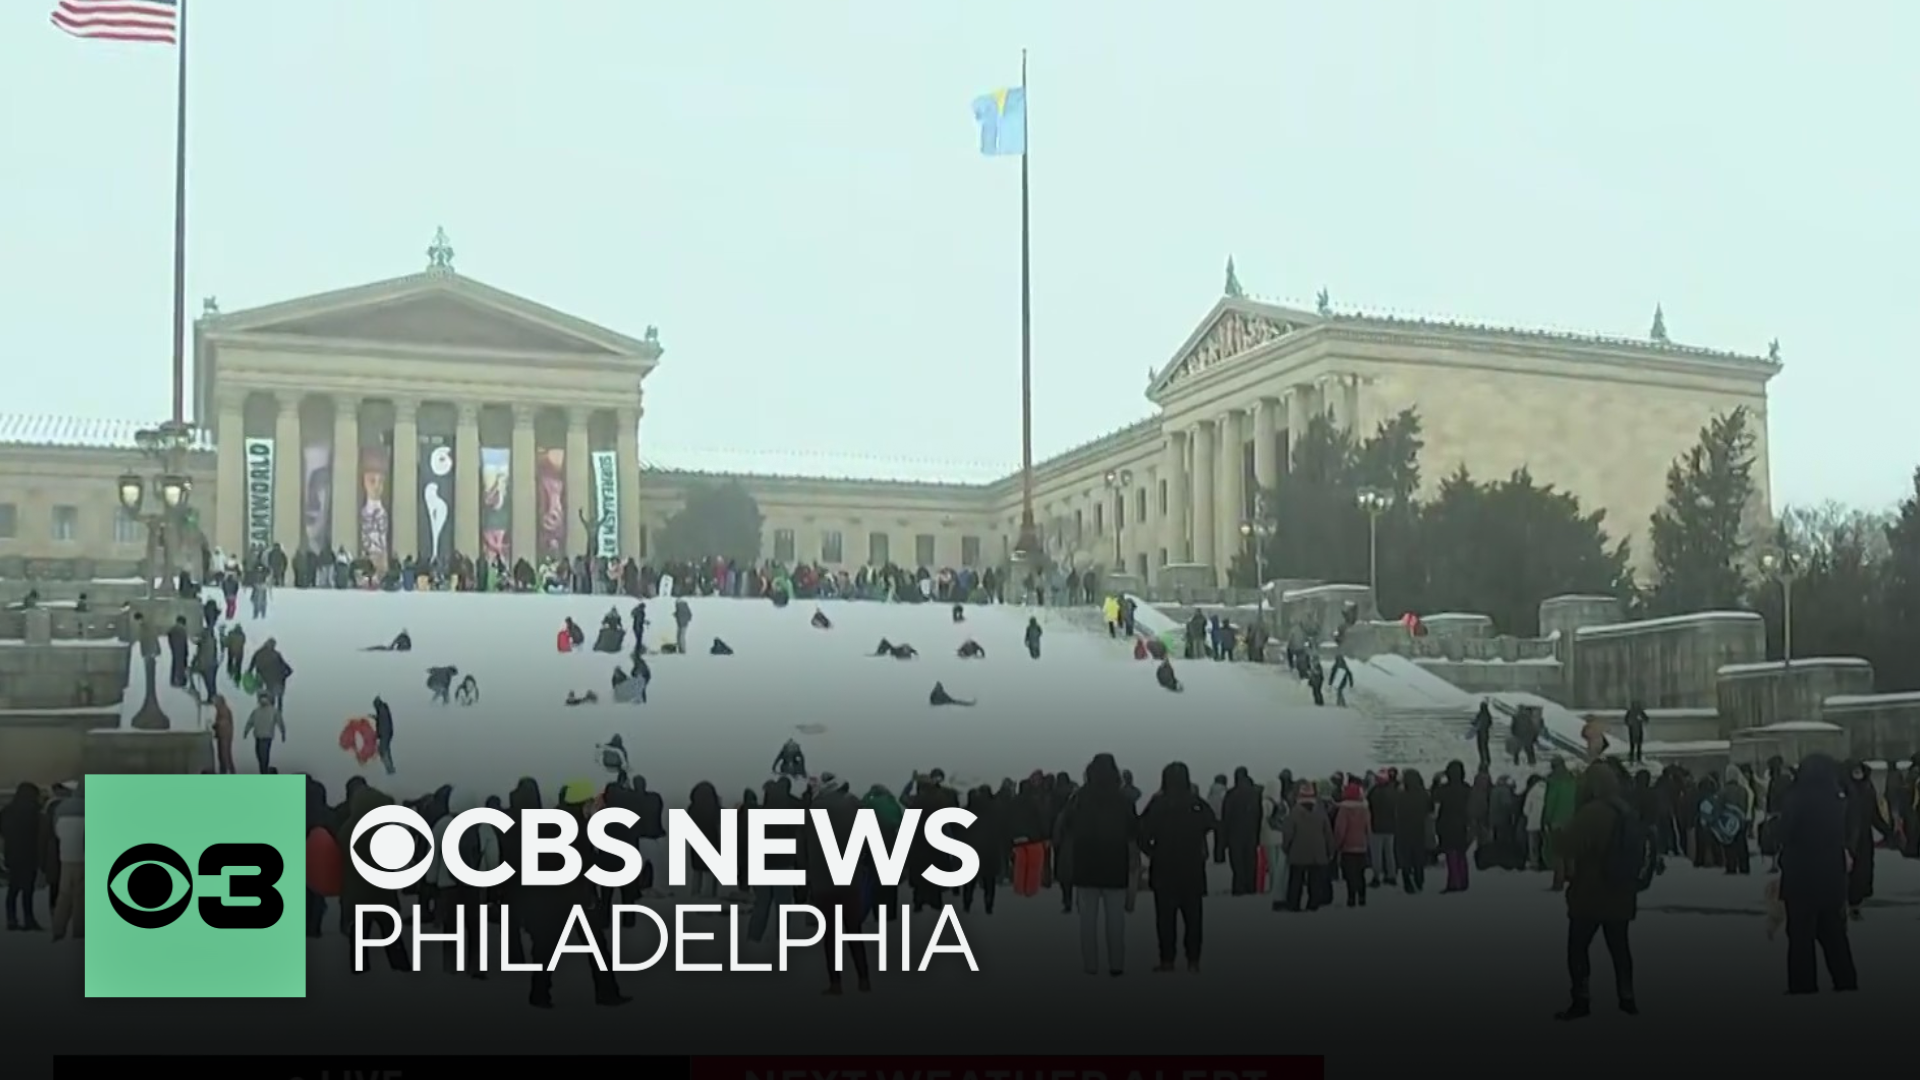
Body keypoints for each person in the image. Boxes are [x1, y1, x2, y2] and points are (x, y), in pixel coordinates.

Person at [1552, 762, 1638, 1020]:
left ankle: (1581, 998)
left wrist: (1556, 834)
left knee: (1577, 948)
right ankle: (1627, 997)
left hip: (1591, 893)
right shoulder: (1626, 810)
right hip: (1622, 891)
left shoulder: (1592, 812)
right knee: (1620, 948)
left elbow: (1567, 846)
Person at [1773, 754, 1858, 993]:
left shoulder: (1797, 797)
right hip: (1832, 878)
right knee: (1834, 935)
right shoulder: (1838, 798)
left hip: (1801, 878)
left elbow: (1783, 832)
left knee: (1801, 937)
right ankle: (1846, 980)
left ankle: (1803, 986)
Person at [1062, 753, 1139, 976]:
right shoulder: (1122, 799)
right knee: (1116, 918)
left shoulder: (1079, 798)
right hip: (1115, 863)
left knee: (1087, 919)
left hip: (1086, 863)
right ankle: (1116, 964)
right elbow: (1133, 829)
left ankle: (1090, 965)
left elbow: (1066, 824)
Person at [1138, 761, 1215, 973]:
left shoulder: (1158, 803)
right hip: (1192, 868)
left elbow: (1141, 833)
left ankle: (1167, 960)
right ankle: (1193, 960)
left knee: (1165, 917)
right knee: (1194, 917)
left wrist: (1152, 853)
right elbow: (1212, 823)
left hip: (1164, 868)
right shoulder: (1196, 802)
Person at [243, 693, 286, 773]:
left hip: (266, 737)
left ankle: (264, 773)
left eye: (265, 697)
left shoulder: (273, 711)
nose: (263, 699)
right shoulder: (256, 711)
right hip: (258, 736)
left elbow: (280, 722)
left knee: (263, 757)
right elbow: (250, 722)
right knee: (259, 756)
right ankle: (263, 772)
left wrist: (283, 733)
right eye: (261, 697)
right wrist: (246, 731)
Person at [371, 696, 396, 775]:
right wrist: (375, 717)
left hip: (385, 733)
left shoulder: (382, 711)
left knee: (383, 750)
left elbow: (383, 724)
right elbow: (381, 720)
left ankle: (389, 768)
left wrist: (379, 734)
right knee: (385, 750)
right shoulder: (383, 709)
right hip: (387, 733)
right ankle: (389, 767)